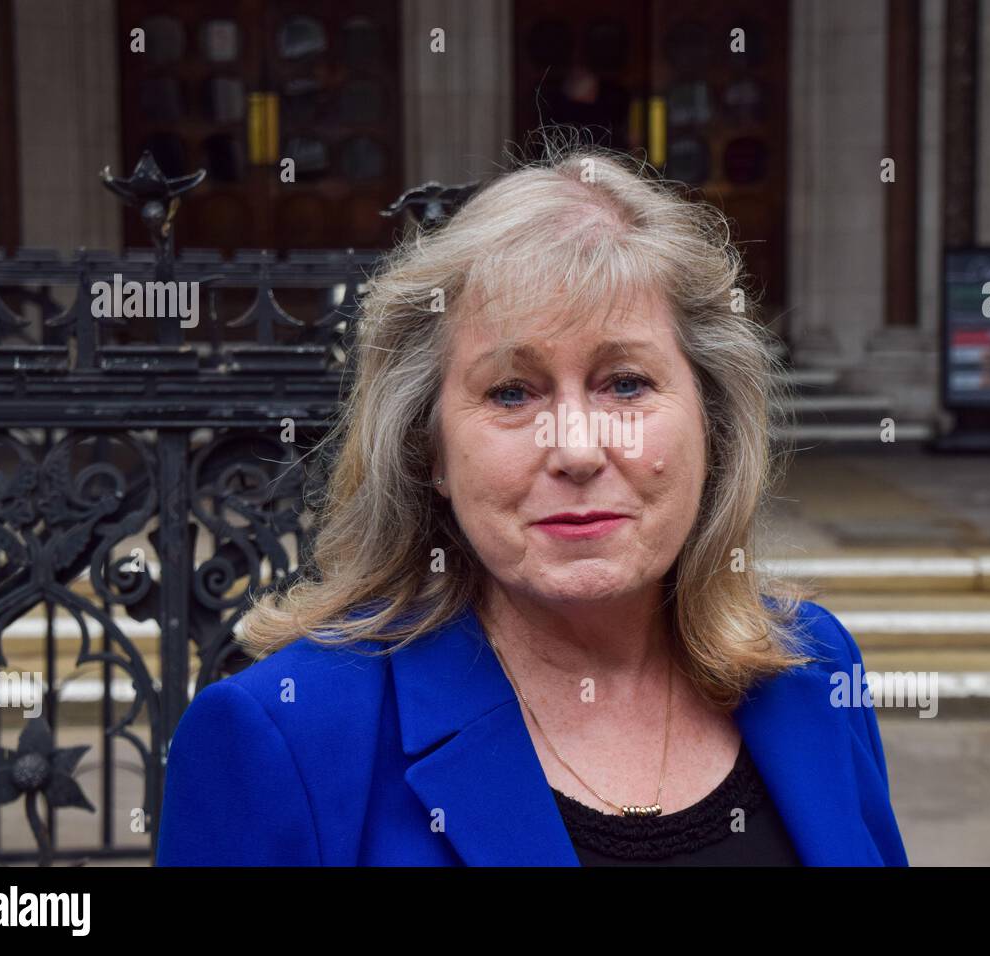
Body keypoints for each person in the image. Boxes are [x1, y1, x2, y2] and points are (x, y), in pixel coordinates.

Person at [155, 133, 909, 867]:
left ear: (710, 424)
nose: (577, 449)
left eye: (626, 384)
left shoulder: (812, 666)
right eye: (512, 393)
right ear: (430, 449)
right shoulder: (283, 738)